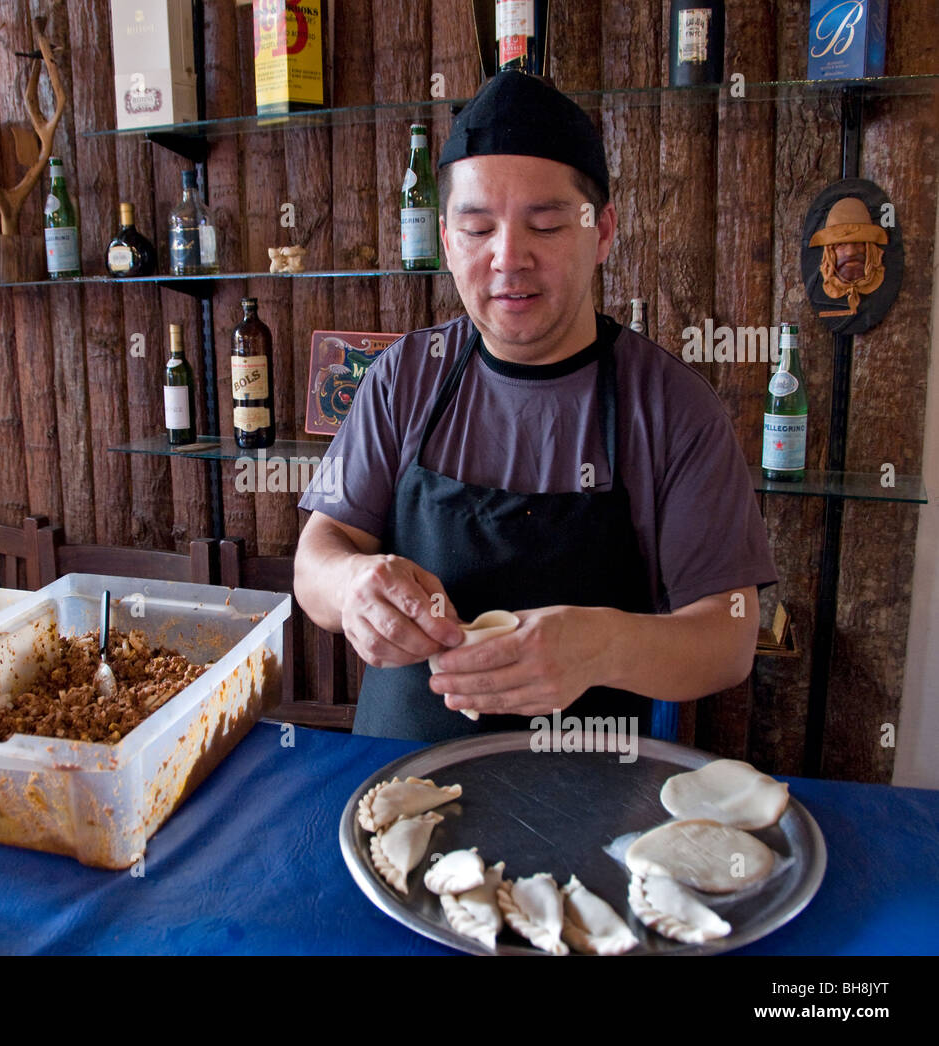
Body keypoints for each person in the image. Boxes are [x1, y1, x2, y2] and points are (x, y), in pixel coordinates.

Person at [294, 71, 778, 743]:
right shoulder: (403, 377)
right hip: (395, 790)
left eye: (546, 225)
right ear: (444, 236)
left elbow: (728, 637)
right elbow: (317, 555)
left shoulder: (672, 408)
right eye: (476, 228)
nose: (508, 259)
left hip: (591, 800)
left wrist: (601, 645)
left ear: (603, 230)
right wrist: (352, 586)